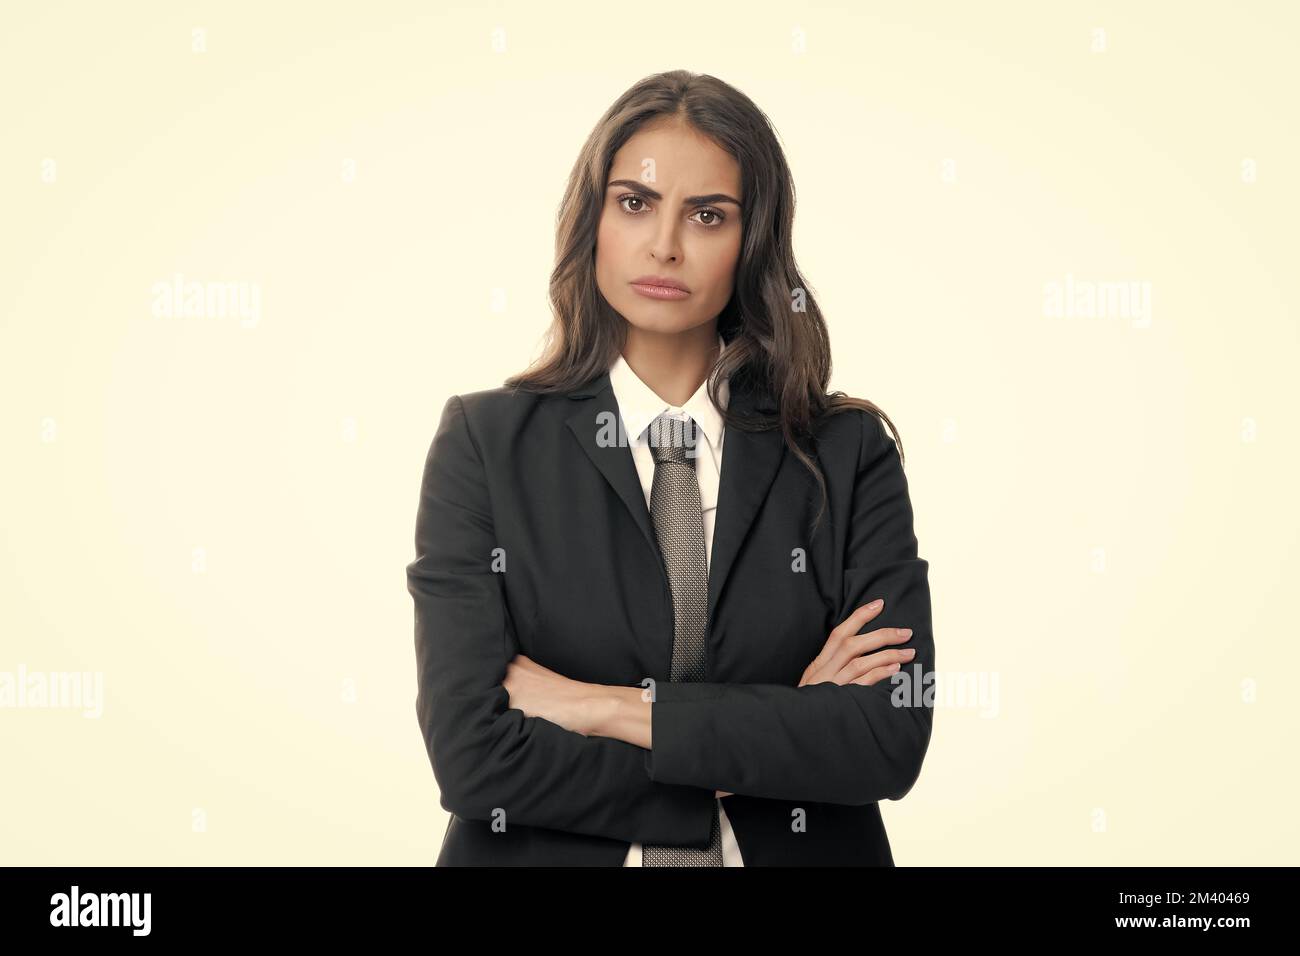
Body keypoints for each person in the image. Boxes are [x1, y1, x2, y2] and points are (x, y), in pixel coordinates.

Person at [407, 69, 935, 866]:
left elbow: (886, 737)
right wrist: (780, 728)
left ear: (751, 239)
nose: (665, 245)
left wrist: (601, 709)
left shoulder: (846, 452)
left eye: (708, 214)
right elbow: (473, 755)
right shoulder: (486, 442)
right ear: (593, 220)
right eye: (635, 202)